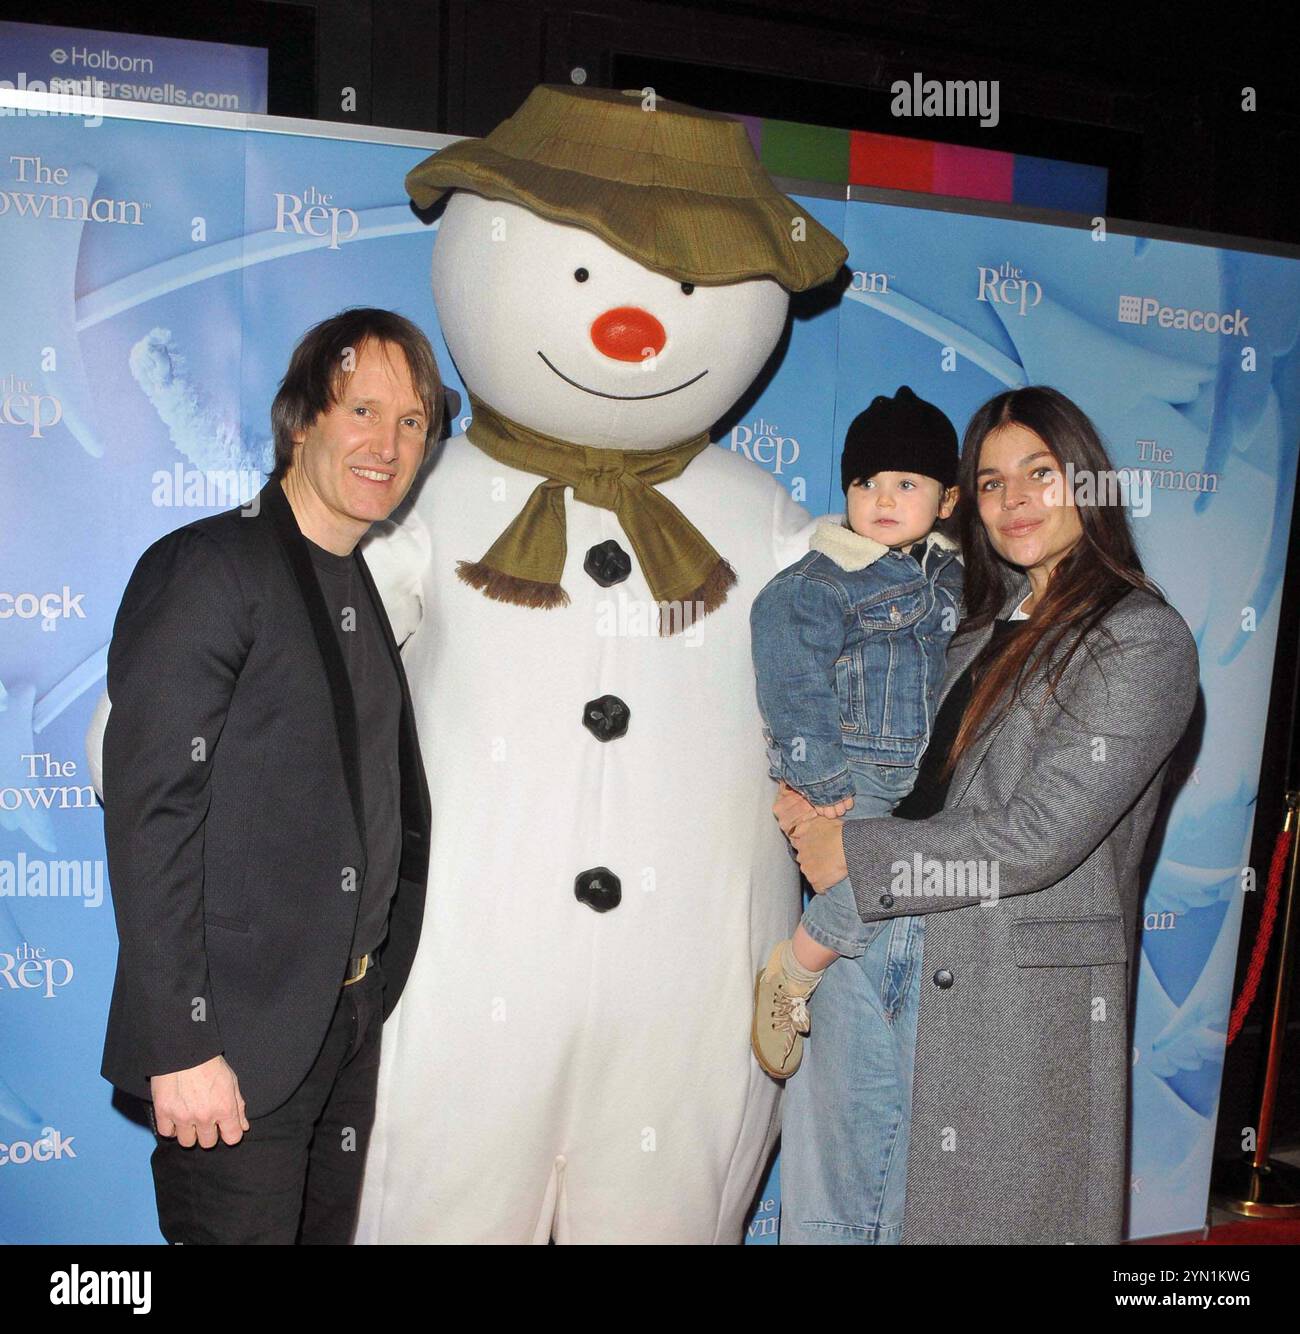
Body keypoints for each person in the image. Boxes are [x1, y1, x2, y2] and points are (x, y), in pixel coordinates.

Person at [775, 384, 1199, 1245]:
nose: (1016, 501)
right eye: (994, 481)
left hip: (1003, 989)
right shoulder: (968, 630)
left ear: (1090, 482)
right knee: (829, 1220)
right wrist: (814, 798)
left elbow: (1033, 839)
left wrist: (850, 854)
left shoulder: (1143, 639)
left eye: (1040, 473)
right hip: (874, 942)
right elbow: (914, 778)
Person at [93, 308, 440, 1244]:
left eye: (412, 422)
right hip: (233, 1047)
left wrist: (366, 997)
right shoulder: (210, 567)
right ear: (302, 422)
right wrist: (183, 1043)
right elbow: (150, 815)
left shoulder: (356, 580)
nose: (388, 443)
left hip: (341, 1023)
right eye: (362, 410)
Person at [750, 385, 962, 1086]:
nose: (882, 498)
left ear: (948, 500)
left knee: (901, 885)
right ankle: (794, 974)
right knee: (865, 887)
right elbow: (787, 664)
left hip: (929, 779)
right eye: (866, 482)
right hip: (860, 772)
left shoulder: (952, 576)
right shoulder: (827, 575)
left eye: (907, 483)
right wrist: (816, 775)